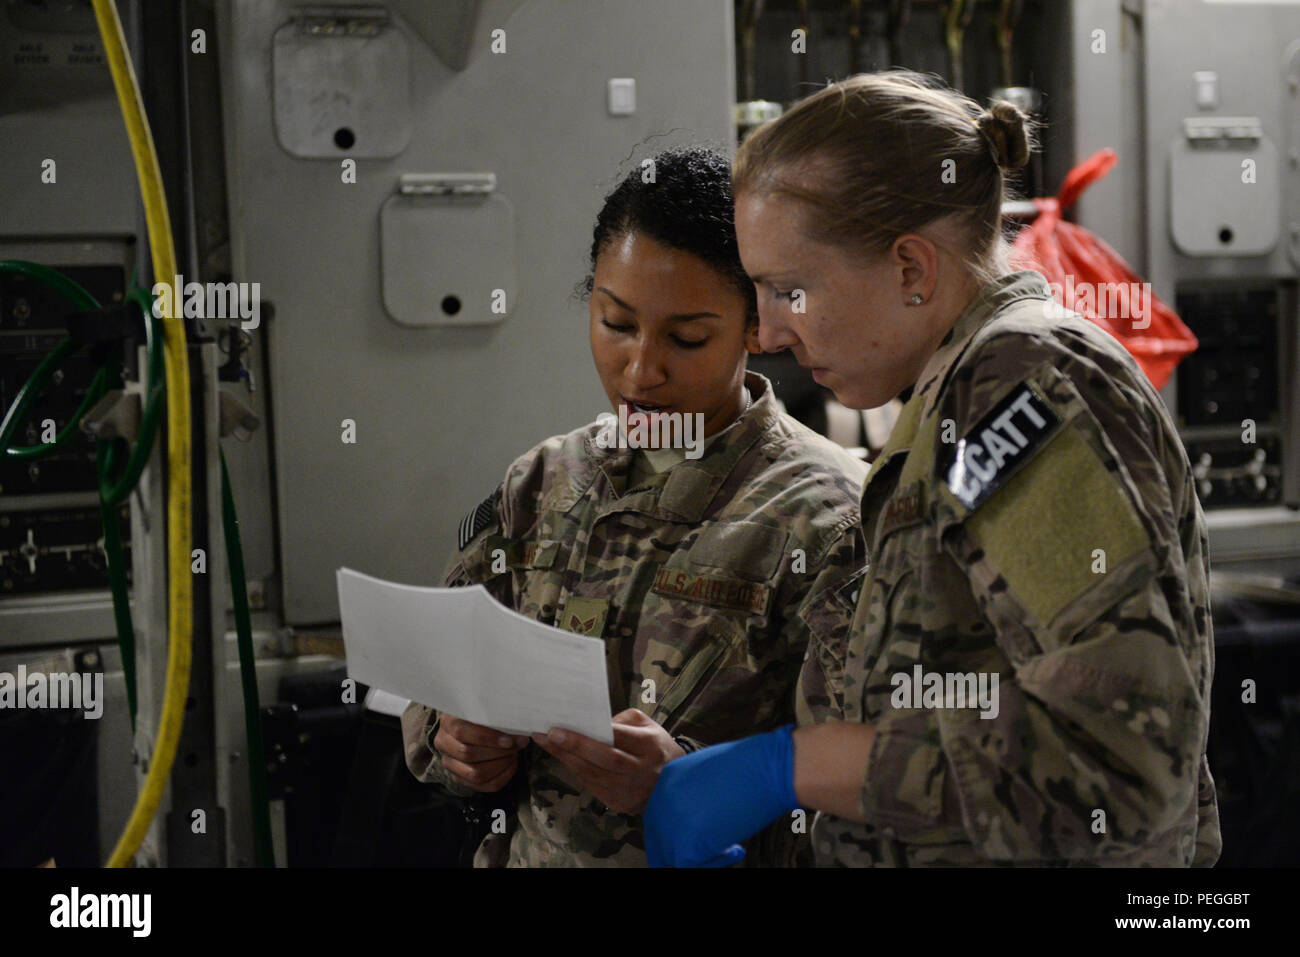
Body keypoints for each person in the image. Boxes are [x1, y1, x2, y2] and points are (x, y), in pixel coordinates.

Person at [644, 71, 1222, 867]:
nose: (768, 333)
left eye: (790, 290)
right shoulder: (953, 394)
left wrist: (793, 766)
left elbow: (1122, 766)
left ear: (912, 270)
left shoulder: (1021, 381)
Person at [400, 146, 869, 866]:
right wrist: (457, 744)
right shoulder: (543, 483)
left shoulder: (827, 517)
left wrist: (694, 791)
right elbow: (435, 699)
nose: (642, 368)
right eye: (616, 323)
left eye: (686, 338)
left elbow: (873, 807)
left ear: (756, 326)